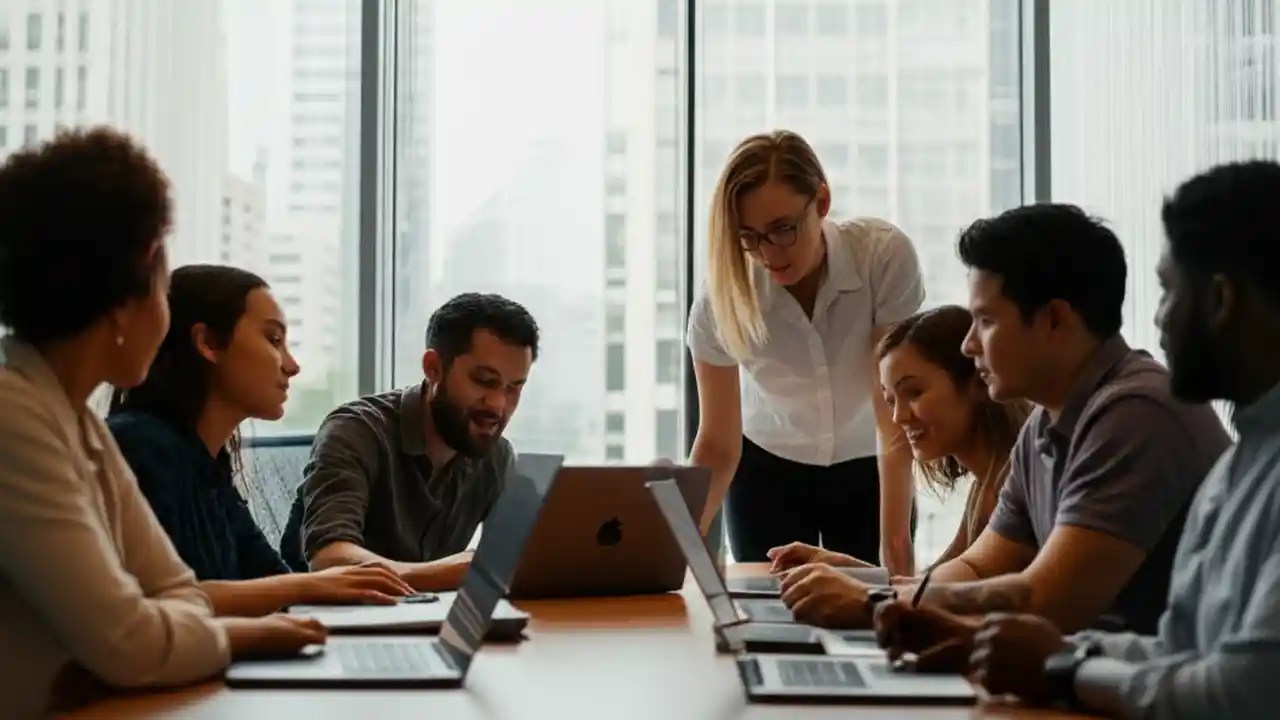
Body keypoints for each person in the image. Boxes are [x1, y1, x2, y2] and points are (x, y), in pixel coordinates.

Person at [783, 203, 1229, 640]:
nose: (969, 345)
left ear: (1053, 320)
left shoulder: (1136, 414)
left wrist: (874, 603)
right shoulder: (1042, 429)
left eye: (986, 320)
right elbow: (977, 568)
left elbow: (1050, 601)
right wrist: (872, 591)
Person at [0, 129, 325, 718]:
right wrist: (249, 636)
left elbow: (175, 593)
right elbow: (132, 642)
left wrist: (146, 641)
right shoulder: (15, 419)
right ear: (136, 277)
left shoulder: (78, 423)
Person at [967, 160, 1280, 719]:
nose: (1158, 320)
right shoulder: (1242, 464)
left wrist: (1064, 667)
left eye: (1168, 291)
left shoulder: (1142, 410)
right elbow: (1177, 651)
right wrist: (1064, 658)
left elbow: (1245, 692)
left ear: (1221, 301)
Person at [108, 264, 414, 617]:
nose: (292, 365)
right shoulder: (137, 446)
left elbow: (270, 581)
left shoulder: (209, 466)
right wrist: (310, 586)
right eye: (273, 340)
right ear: (208, 343)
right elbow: (160, 602)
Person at [687, 129, 925, 574]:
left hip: (870, 460)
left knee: (870, 599)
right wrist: (671, 549)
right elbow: (717, 443)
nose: (768, 253)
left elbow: (891, 411)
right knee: (768, 605)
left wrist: (898, 557)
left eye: (783, 229)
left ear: (821, 202)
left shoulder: (883, 257)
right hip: (766, 469)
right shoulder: (720, 300)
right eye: (749, 236)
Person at [281, 292, 538, 591]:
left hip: (424, 615)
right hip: (318, 614)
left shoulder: (497, 456)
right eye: (484, 381)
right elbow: (330, 558)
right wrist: (451, 573)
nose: (497, 404)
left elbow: (521, 556)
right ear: (433, 367)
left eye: (514, 388)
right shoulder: (356, 431)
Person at [769, 305, 1032, 578]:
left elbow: (942, 592)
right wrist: (843, 568)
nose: (898, 417)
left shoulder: (1008, 485)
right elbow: (933, 586)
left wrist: (849, 578)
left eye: (914, 393)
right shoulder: (986, 484)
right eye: (891, 400)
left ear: (977, 382)